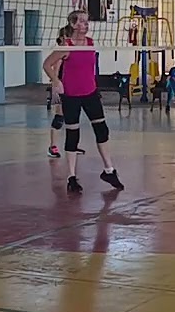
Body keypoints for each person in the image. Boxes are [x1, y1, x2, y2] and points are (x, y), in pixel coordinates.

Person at [42, 10, 124, 194]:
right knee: (73, 135)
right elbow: (47, 65)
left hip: (91, 93)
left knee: (102, 130)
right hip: (71, 96)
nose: (86, 25)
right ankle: (71, 177)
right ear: (73, 24)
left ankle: (109, 170)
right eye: (82, 22)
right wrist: (56, 81)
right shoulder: (66, 46)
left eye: (87, 22)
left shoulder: (90, 43)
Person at [47, 27, 85, 159]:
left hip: (73, 87)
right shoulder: (61, 51)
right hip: (62, 88)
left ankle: (72, 146)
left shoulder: (73, 50)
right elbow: (55, 70)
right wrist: (55, 85)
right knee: (59, 117)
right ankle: (53, 147)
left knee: (73, 117)